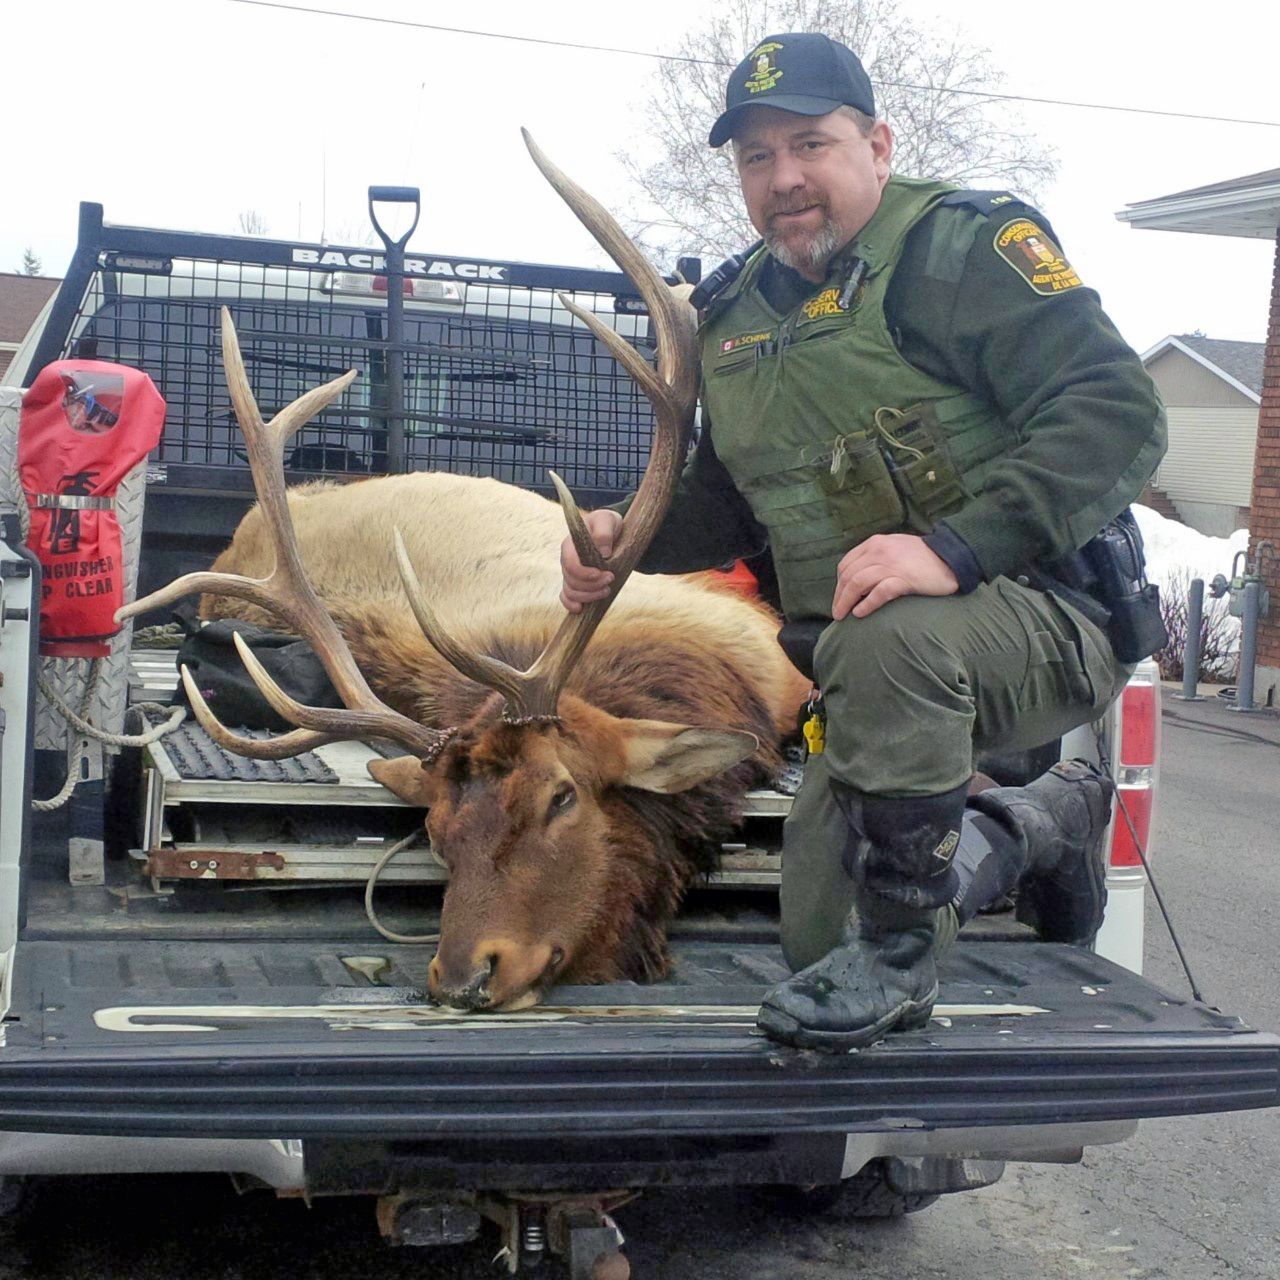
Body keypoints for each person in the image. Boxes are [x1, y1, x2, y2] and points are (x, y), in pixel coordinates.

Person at [560, 32, 1166, 1052]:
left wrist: (954, 548)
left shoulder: (959, 251)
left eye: (810, 144)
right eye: (756, 158)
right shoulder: (730, 317)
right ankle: (1040, 824)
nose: (784, 179)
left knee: (893, 646)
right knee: (810, 937)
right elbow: (730, 500)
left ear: (876, 145)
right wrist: (628, 536)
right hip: (869, 663)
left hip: (1044, 612)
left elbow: (1113, 409)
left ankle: (898, 966)